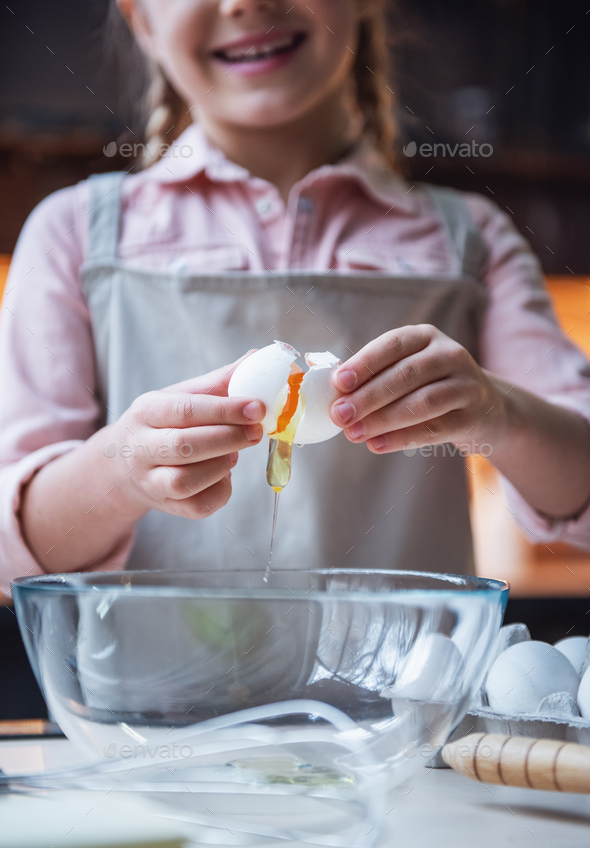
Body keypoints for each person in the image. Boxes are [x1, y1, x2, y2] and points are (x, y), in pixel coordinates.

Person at [1, 0, 590, 585]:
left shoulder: (472, 240)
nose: (246, 3)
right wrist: (120, 474)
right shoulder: (75, 236)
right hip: (154, 681)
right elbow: (12, 550)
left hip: (401, 681)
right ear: (143, 21)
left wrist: (502, 415)